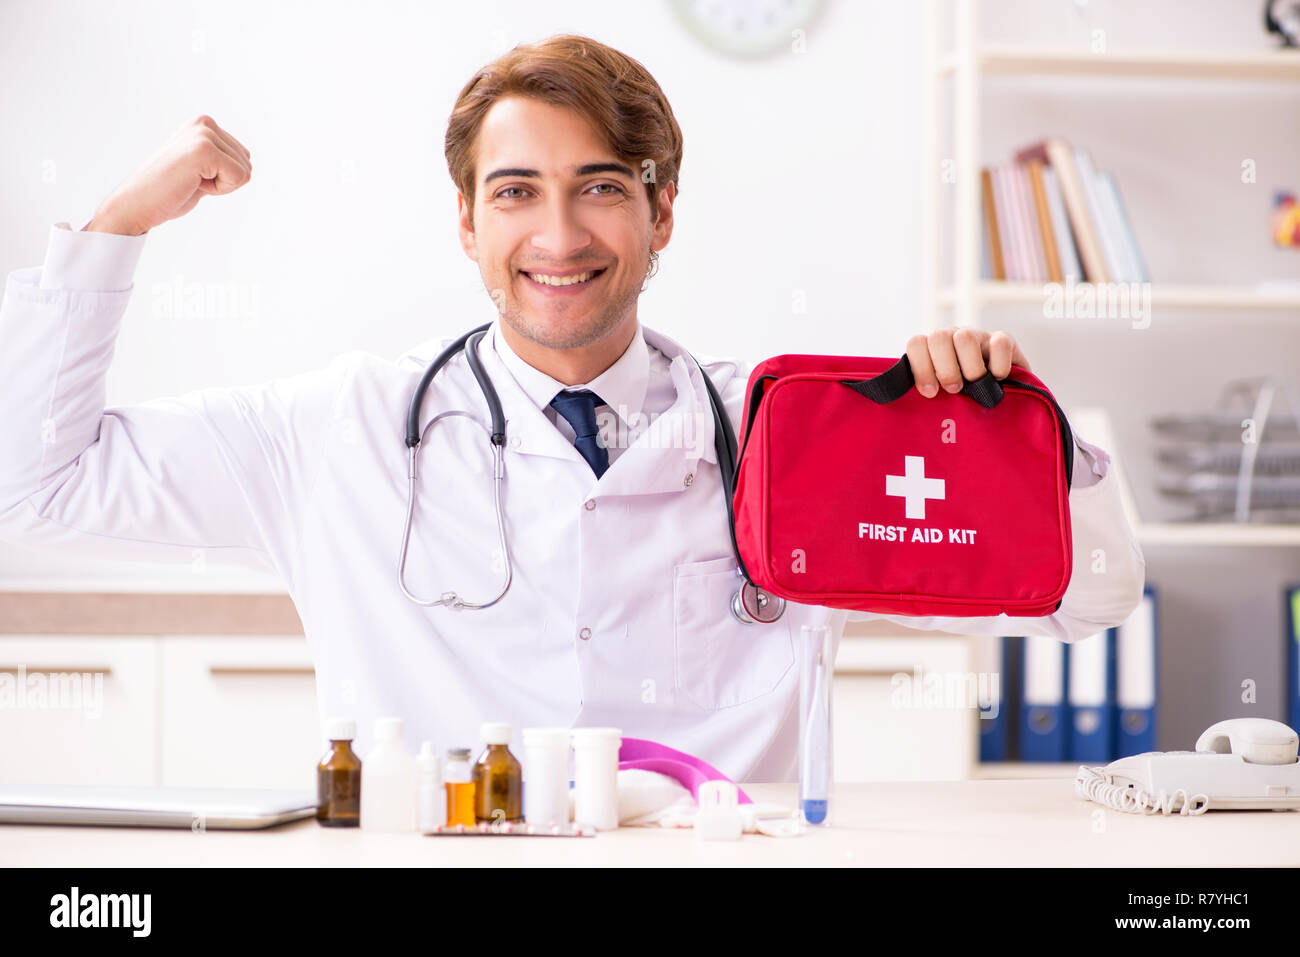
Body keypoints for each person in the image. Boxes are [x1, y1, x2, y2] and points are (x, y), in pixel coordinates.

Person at [0, 34, 1144, 782]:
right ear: (466, 222)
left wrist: (1014, 428)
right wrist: (114, 229)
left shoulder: (787, 434)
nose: (557, 237)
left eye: (600, 187)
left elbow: (1089, 598)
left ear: (662, 214)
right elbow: (32, 486)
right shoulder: (337, 433)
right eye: (516, 194)